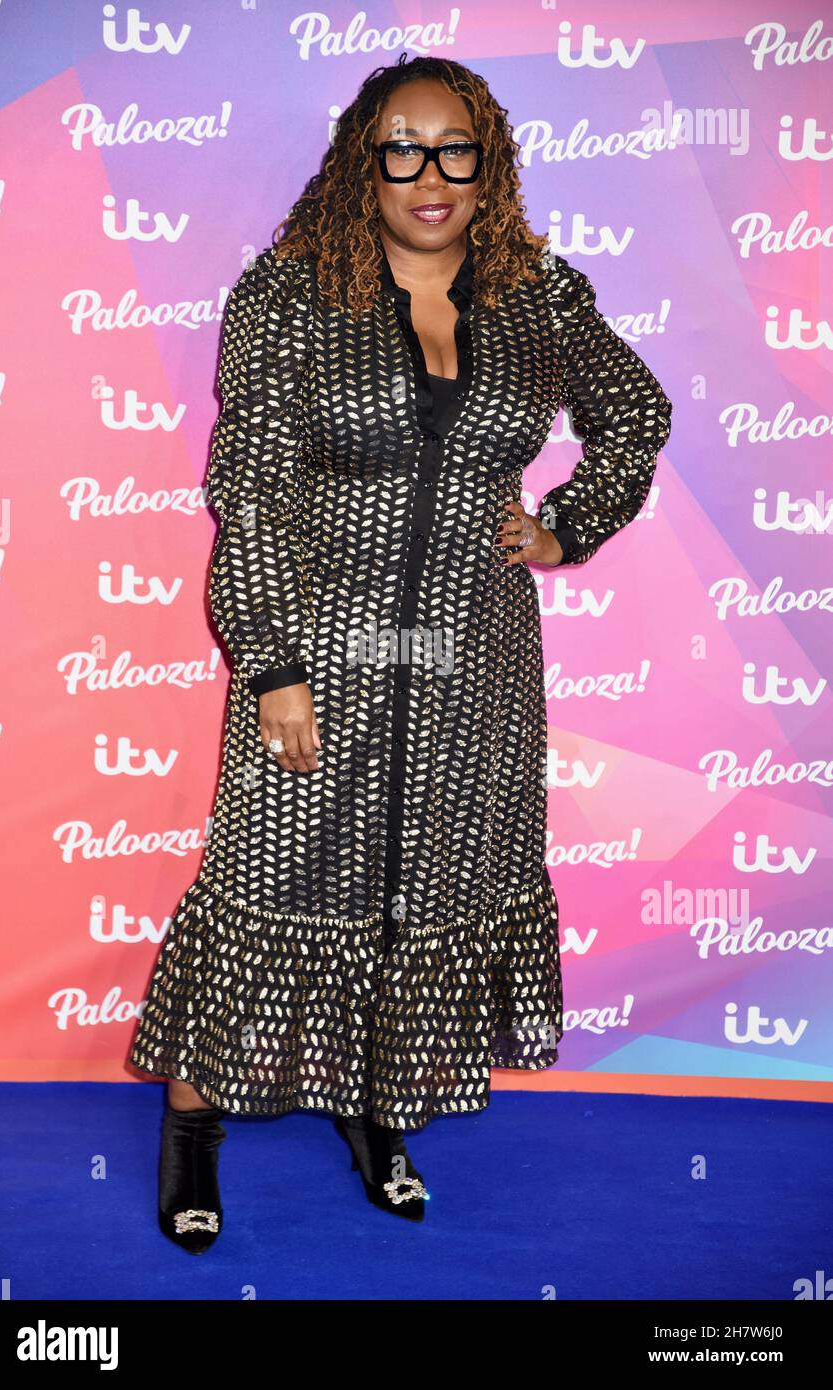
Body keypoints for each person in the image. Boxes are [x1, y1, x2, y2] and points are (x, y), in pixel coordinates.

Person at [129, 52, 672, 1252]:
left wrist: (564, 524)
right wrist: (270, 661)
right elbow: (253, 486)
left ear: (487, 160)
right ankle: (192, 1124)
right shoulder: (289, 294)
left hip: (473, 659)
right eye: (401, 148)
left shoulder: (537, 295)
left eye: (453, 147)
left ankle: (381, 1113)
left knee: (428, 886)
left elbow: (635, 413)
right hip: (321, 644)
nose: (429, 175)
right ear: (360, 164)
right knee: (270, 878)